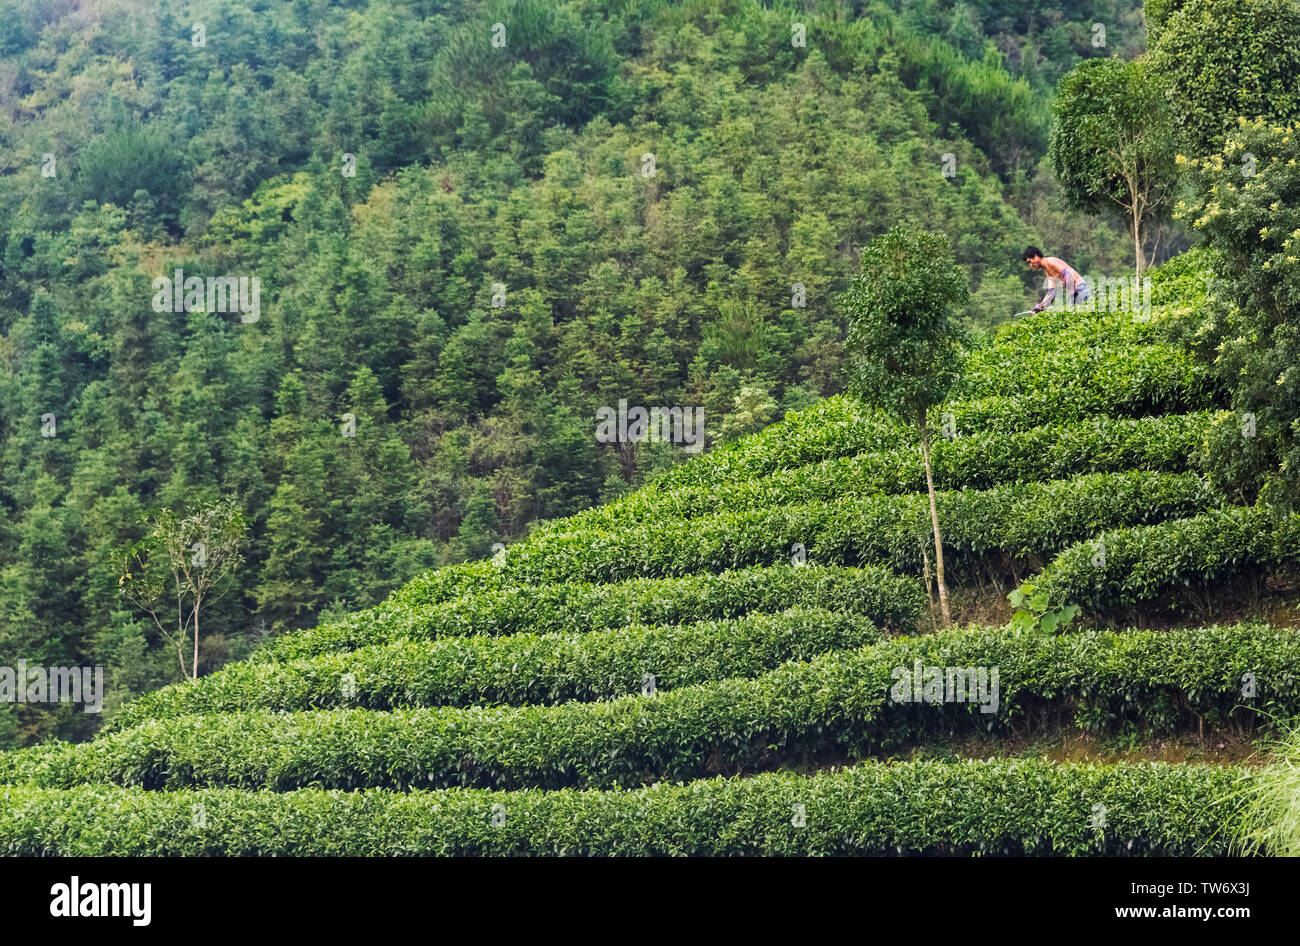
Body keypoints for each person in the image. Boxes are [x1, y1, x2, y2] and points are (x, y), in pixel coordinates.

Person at [1022, 246, 1090, 313]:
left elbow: (1067, 274)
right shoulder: (1048, 272)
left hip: (1080, 289)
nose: (1030, 265)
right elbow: (1052, 292)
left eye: (1030, 262)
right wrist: (1040, 307)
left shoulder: (1051, 261)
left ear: (1036, 256)